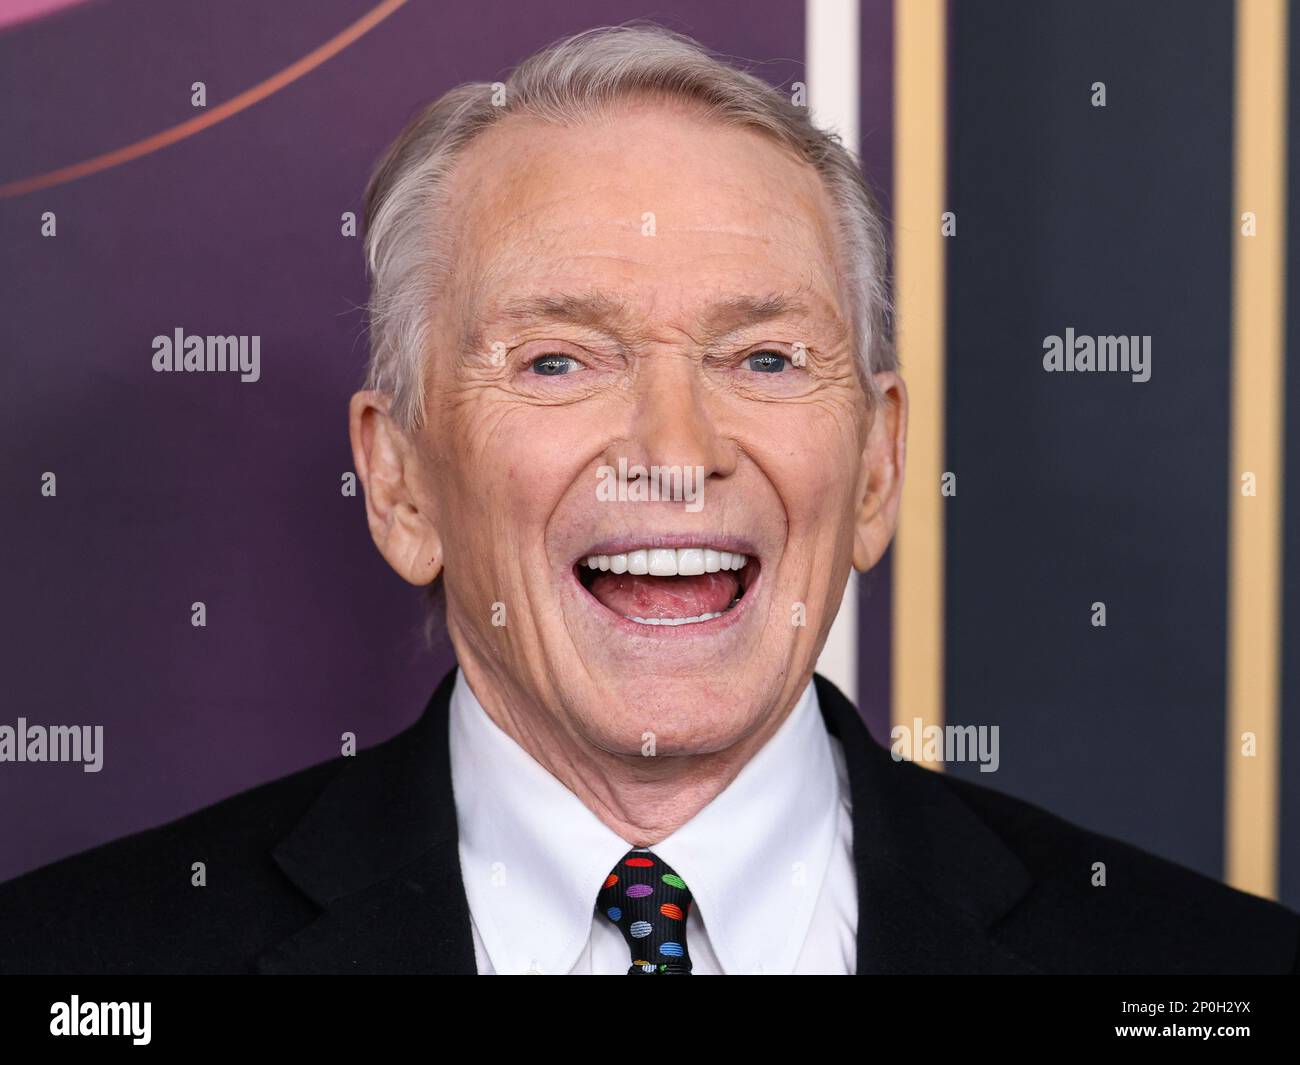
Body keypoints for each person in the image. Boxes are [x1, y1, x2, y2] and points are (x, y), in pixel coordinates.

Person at [1, 24, 1295, 975]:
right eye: (561, 358)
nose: (675, 450)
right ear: (401, 482)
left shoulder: (1201, 973)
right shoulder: (80, 966)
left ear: (881, 466)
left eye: (765, 358)